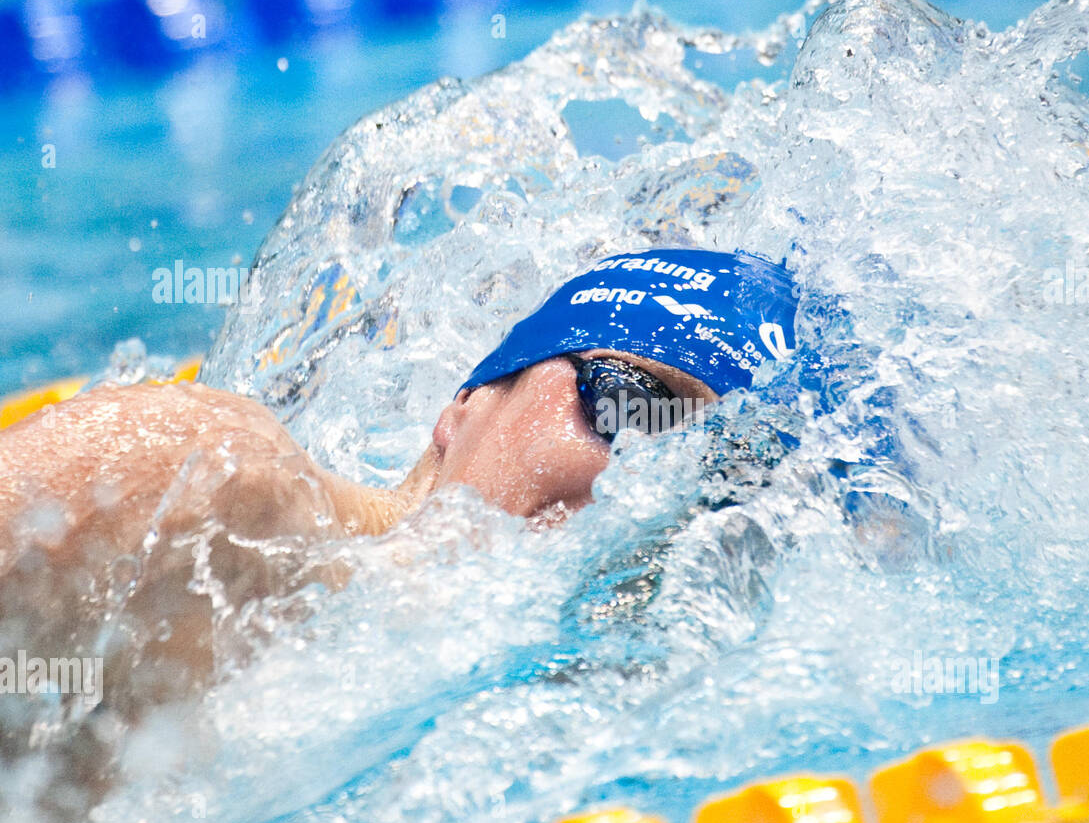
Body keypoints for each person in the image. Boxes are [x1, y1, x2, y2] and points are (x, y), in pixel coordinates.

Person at [0, 248, 800, 710]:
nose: (641, 485)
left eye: (713, 478)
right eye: (631, 408)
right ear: (470, 402)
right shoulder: (217, 484)